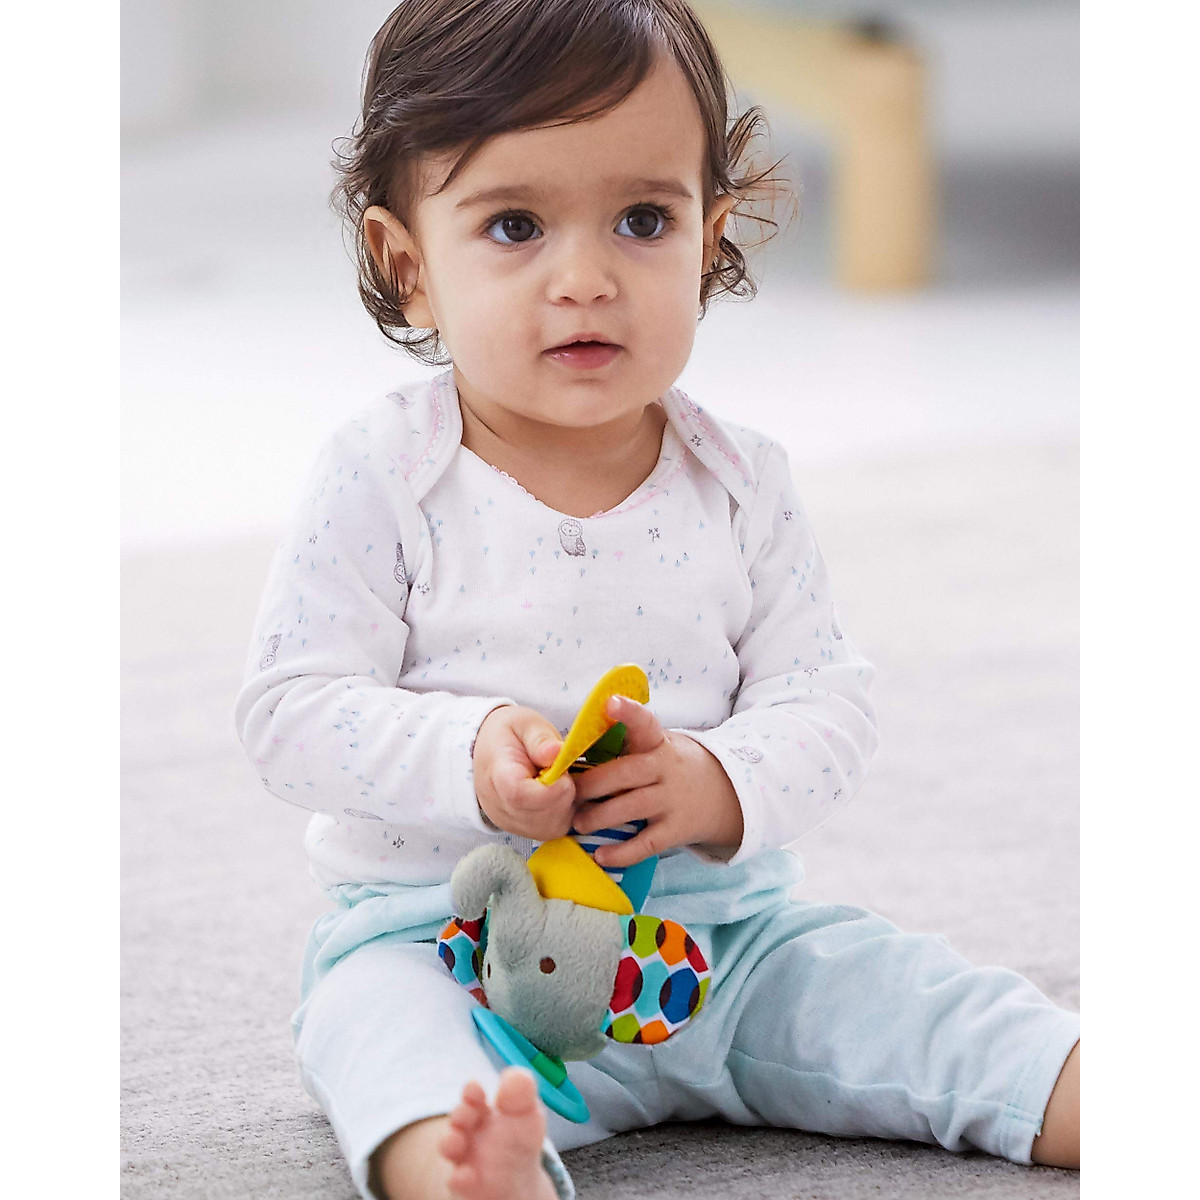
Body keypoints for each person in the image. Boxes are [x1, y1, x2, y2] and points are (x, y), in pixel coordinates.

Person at [234, 3, 1080, 1198]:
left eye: (642, 221)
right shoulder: (383, 475)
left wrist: (717, 781)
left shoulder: (740, 482)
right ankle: (473, 1167)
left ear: (708, 237)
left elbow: (826, 702)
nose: (586, 280)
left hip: (719, 948)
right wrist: (468, 752)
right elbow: (290, 711)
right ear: (407, 266)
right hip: (457, 953)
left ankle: (1080, 1088)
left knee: (924, 1001)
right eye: (516, 226)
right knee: (380, 1036)